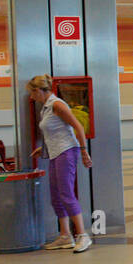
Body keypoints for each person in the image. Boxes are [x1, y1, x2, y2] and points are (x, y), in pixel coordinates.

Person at [27, 75, 93, 253]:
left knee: (66, 194)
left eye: (32, 93)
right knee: (56, 196)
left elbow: (77, 127)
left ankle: (82, 236)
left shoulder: (57, 105)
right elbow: (53, 132)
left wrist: (84, 150)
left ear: (38, 90)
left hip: (67, 152)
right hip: (55, 153)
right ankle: (65, 235)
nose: (31, 97)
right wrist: (44, 149)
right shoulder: (45, 108)